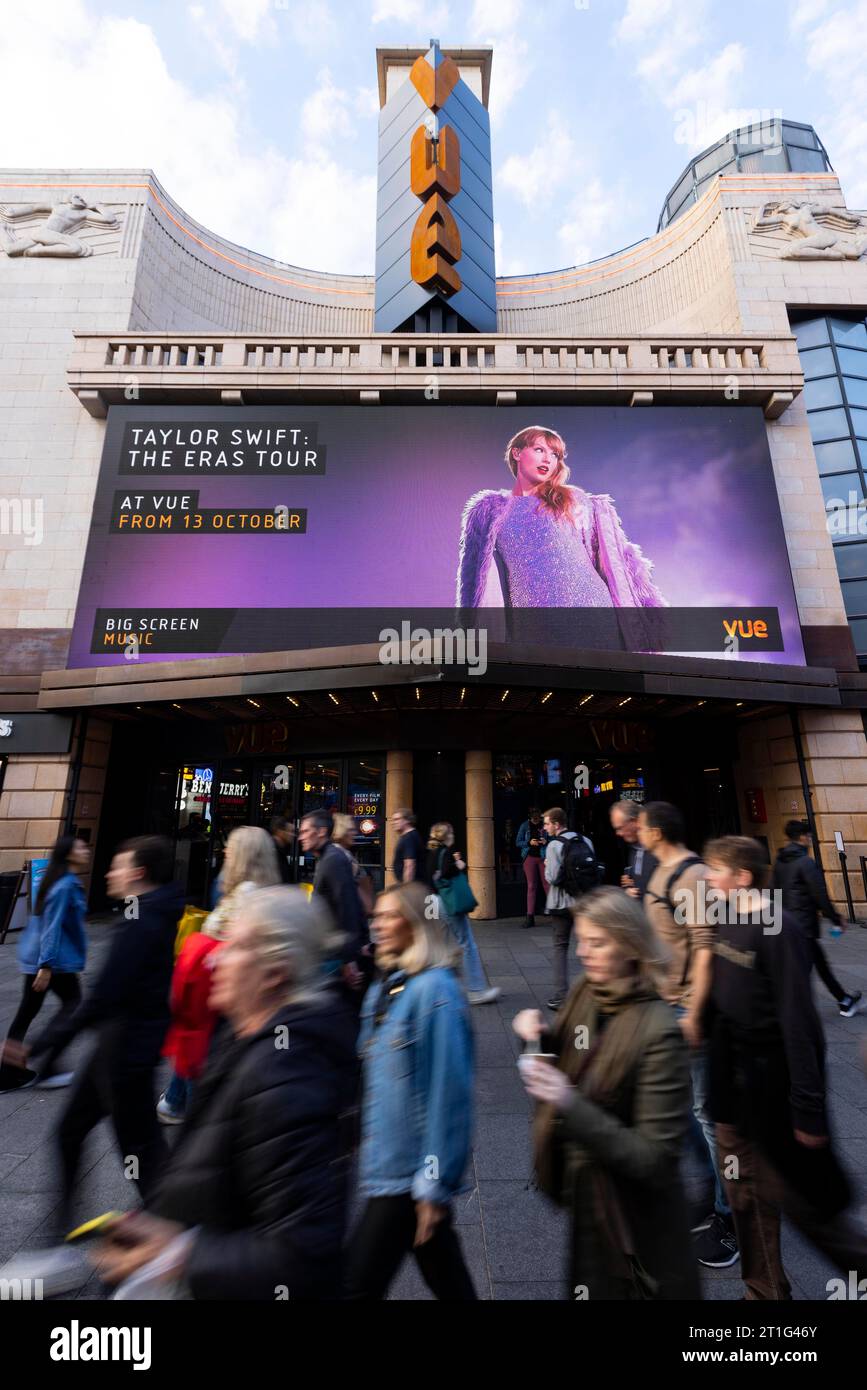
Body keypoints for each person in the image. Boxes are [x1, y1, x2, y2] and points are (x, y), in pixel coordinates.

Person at [91, 887, 360, 1300]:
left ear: (274, 972)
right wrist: (163, 1223)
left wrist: (179, 1254)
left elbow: (304, 1257)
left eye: (233, 946)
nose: (215, 956)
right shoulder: (245, 1038)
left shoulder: (285, 1071)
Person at [0, 837, 183, 1296]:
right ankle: (59, 1250)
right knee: (79, 1136)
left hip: (124, 1057)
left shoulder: (142, 920)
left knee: (140, 1154)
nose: (108, 873)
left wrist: (39, 1046)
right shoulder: (146, 913)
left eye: (117, 866)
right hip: (116, 1051)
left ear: (138, 873)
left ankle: (176, 1245)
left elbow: (103, 997)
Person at [514, 886, 699, 1301]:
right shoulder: (587, 990)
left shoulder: (659, 1031)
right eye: (581, 940)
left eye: (597, 942)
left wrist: (568, 1103)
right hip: (589, 1204)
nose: (583, 952)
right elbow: (566, 1057)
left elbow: (655, 1158)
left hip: (636, 1225)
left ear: (632, 946)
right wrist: (536, 1038)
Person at [703, 836, 867, 1298]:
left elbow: (801, 1024)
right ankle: (764, 1291)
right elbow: (722, 997)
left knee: (808, 1209)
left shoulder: (781, 929)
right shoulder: (723, 916)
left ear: (742, 878)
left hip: (772, 1091)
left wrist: (808, 1111)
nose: (707, 879)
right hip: (730, 1091)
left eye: (715, 871)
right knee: (742, 1194)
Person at [345, 882, 477, 1300]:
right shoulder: (390, 986)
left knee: (352, 1288)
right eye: (376, 916)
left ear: (418, 923)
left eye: (389, 916)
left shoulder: (435, 992)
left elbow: (449, 1094)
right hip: (390, 1160)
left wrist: (434, 1185)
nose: (377, 924)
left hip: (406, 1175)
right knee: (446, 1273)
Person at [638, 802, 735, 1267]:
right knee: (682, 1107)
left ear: (656, 831)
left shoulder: (692, 876)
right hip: (663, 1004)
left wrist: (693, 1012)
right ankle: (709, 1191)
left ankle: (730, 1215)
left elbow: (704, 946)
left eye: (639, 825)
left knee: (705, 1112)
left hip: (685, 1007)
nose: (635, 831)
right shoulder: (660, 870)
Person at [455, 425, 666, 609]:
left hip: (595, 612)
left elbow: (607, 561)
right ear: (517, 453)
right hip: (530, 625)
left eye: (555, 455)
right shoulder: (490, 512)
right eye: (539, 450)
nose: (548, 458)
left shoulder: (573, 500)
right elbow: (478, 582)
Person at [157, 825, 282, 1124]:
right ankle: (179, 1102)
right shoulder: (247, 889)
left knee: (205, 1048)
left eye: (232, 846)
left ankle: (192, 1109)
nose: (224, 849)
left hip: (226, 989)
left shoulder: (246, 895)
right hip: (225, 990)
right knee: (201, 1046)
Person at [0, 835, 90, 1093]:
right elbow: (53, 926)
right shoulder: (65, 885)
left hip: (41, 958)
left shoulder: (57, 880)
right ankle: (44, 1062)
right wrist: (47, 965)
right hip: (52, 961)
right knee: (73, 1007)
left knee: (27, 1012)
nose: (85, 850)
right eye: (80, 847)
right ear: (69, 854)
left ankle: (8, 1074)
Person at [773, 819, 862, 1017]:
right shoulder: (806, 862)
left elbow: (775, 893)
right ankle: (794, 1011)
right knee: (806, 969)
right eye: (810, 836)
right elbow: (819, 894)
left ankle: (843, 1000)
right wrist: (836, 919)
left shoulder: (780, 861)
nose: (811, 839)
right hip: (804, 924)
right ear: (803, 837)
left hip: (788, 922)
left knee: (818, 965)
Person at [428, 821, 500, 1005]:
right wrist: (458, 865)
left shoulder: (431, 852)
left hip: (432, 902)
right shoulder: (444, 852)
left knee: (438, 945)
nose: (453, 835)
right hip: (447, 902)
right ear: (446, 835)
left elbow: (430, 876)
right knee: (468, 944)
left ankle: (433, 990)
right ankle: (476, 990)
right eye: (451, 832)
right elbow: (445, 872)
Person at [300, 809, 370, 996]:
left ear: (321, 832)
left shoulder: (333, 859)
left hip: (336, 956)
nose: (301, 837)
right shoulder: (326, 858)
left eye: (306, 831)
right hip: (333, 953)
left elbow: (347, 906)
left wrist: (349, 959)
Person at [543, 807, 598, 1011]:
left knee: (560, 946)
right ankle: (595, 992)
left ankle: (561, 996)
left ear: (557, 824)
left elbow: (553, 878)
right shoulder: (586, 841)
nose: (545, 827)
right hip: (585, 901)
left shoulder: (554, 845)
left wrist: (548, 864)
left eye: (547, 823)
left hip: (561, 904)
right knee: (590, 945)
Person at [610, 800, 657, 902]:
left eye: (620, 828)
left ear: (634, 822)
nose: (618, 833)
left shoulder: (657, 849)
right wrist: (629, 887)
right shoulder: (633, 849)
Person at [332, 813, 375, 916]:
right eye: (350, 830)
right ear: (341, 832)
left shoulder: (343, 853)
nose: (355, 833)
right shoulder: (339, 856)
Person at [516, 807, 548, 929]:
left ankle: (555, 913)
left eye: (538, 816)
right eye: (534, 816)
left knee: (547, 884)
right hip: (529, 857)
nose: (536, 819)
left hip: (543, 856)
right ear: (530, 816)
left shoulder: (545, 825)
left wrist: (547, 840)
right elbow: (518, 842)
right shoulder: (525, 825)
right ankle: (530, 917)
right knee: (531, 886)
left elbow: (553, 838)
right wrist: (529, 842)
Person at [391, 807, 429, 886]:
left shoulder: (409, 838)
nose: (393, 823)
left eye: (397, 819)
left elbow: (410, 865)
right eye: (393, 820)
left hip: (414, 886)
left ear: (407, 820)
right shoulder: (410, 836)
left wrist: (407, 888)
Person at [270, 815, 295, 885]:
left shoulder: (282, 850)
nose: (293, 835)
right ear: (280, 832)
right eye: (291, 831)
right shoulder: (272, 853)